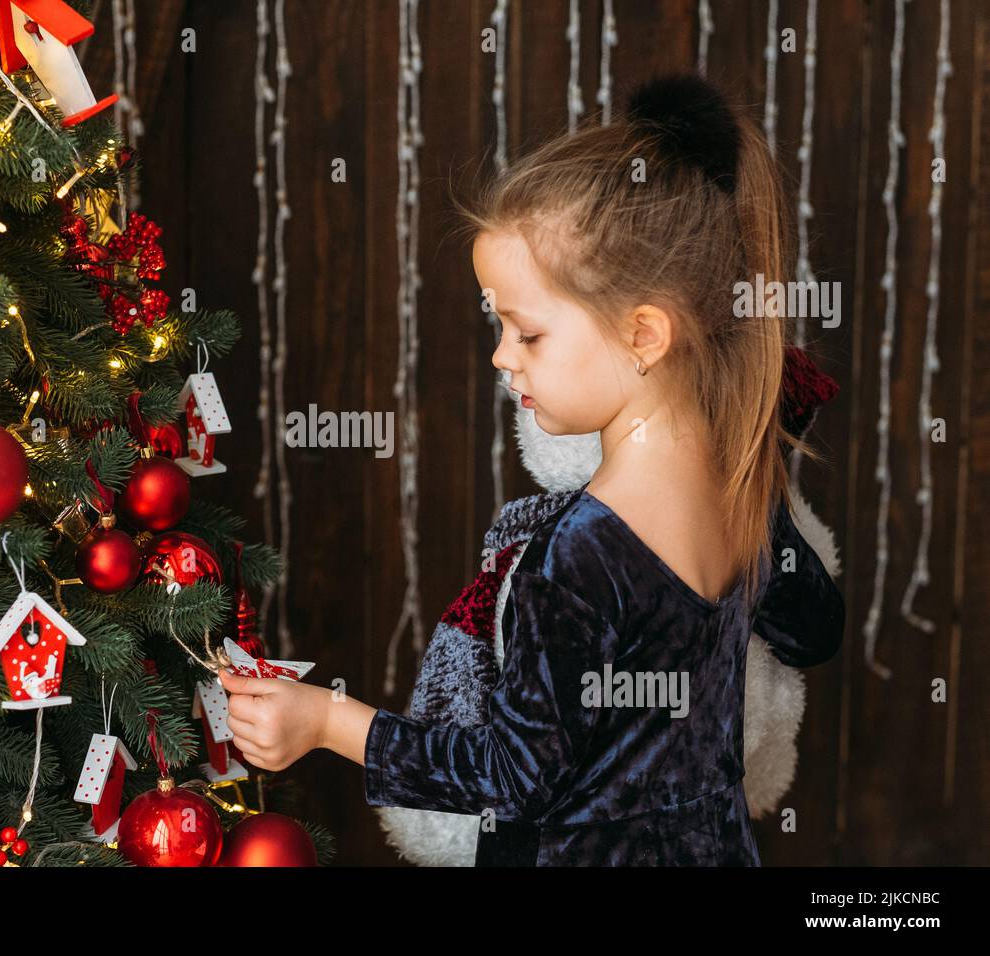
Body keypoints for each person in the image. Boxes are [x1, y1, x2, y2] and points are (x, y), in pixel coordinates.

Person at [217, 73, 845, 865]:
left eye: (529, 334)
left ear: (645, 335)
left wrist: (327, 722)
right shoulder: (745, 479)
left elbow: (514, 776)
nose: (500, 357)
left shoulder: (581, 555)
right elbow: (811, 626)